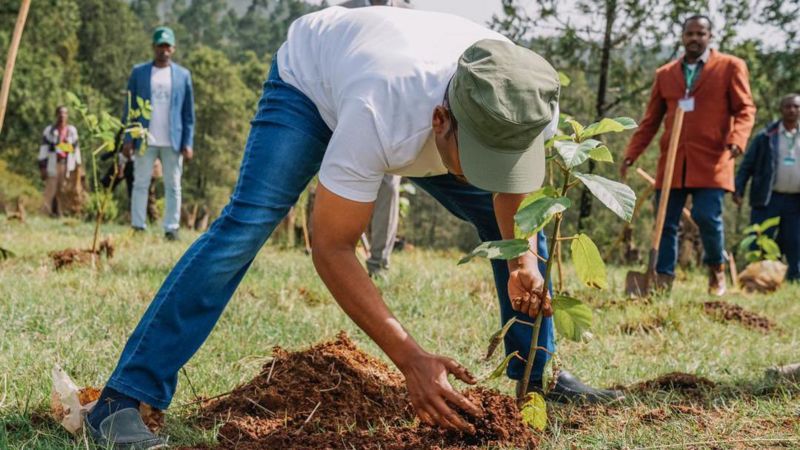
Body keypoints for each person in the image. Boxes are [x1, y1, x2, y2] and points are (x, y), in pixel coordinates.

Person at [85, 8, 619, 448]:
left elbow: (513, 199)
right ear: (440, 123)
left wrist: (523, 259)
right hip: (311, 83)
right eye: (480, 162)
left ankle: (537, 380)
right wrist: (410, 359)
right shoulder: (380, 111)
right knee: (245, 226)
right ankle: (121, 400)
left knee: (517, 231)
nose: (491, 178)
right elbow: (332, 247)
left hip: (400, 83)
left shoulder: (524, 99)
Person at [621, 14, 756, 296]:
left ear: (710, 36)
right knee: (665, 222)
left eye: (700, 33)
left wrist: (737, 140)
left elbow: (745, 109)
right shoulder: (666, 74)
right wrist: (632, 153)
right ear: (683, 37)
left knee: (706, 216)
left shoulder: (730, 67)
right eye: (690, 33)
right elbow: (650, 121)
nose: (695, 38)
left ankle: (716, 267)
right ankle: (662, 281)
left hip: (713, 160)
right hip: (673, 162)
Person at [338, 0, 410, 277]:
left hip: (392, 114)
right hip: (347, 109)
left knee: (389, 186)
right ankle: (338, 255)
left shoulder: (408, 15)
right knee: (340, 178)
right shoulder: (345, 11)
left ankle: (378, 264)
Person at [123, 26, 195, 241]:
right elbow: (129, 107)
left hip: (173, 140)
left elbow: (188, 113)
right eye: (160, 46)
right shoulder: (139, 73)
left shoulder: (183, 75)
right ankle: (138, 225)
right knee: (140, 183)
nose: (163, 50)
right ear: (153, 47)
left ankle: (171, 228)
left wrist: (188, 142)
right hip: (145, 138)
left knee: (173, 186)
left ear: (173, 48)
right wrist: (128, 138)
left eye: (167, 46)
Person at [735, 94, 800, 282]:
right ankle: (756, 280)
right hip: (768, 198)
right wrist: (739, 188)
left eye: (796, 107)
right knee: (761, 239)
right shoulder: (766, 136)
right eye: (788, 106)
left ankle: (794, 281)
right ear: (781, 109)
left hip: (795, 201)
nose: (792, 110)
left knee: (795, 241)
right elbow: (747, 165)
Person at [37, 106, 82, 216]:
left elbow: (75, 149)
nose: (62, 116)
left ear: (67, 116)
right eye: (60, 113)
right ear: (56, 115)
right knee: (50, 190)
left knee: (63, 190)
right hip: (53, 163)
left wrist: (78, 165)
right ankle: (44, 214)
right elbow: (44, 149)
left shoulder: (72, 131)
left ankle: (62, 214)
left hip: (67, 164)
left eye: (65, 113)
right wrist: (42, 166)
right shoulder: (50, 131)